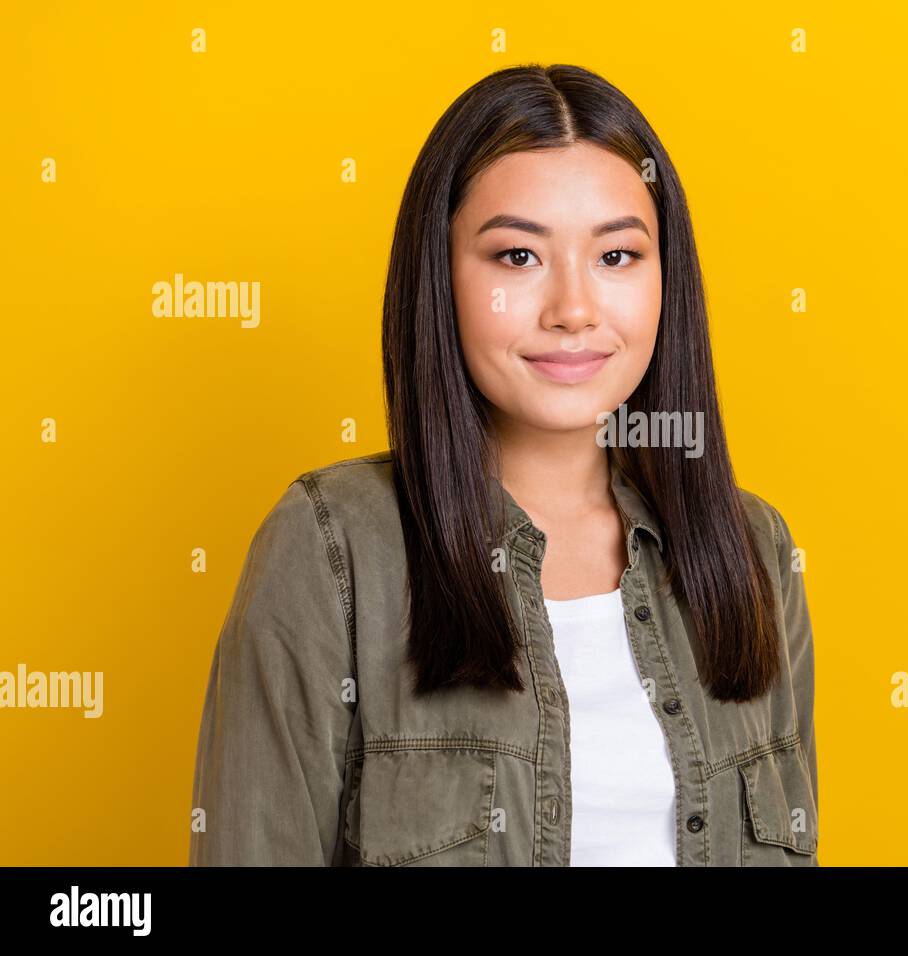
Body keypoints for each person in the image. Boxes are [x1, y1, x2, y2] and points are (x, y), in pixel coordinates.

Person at [188, 62, 817, 867]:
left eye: (617, 257)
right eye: (517, 257)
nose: (573, 310)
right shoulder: (332, 552)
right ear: (441, 278)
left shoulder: (753, 550)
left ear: (669, 280)